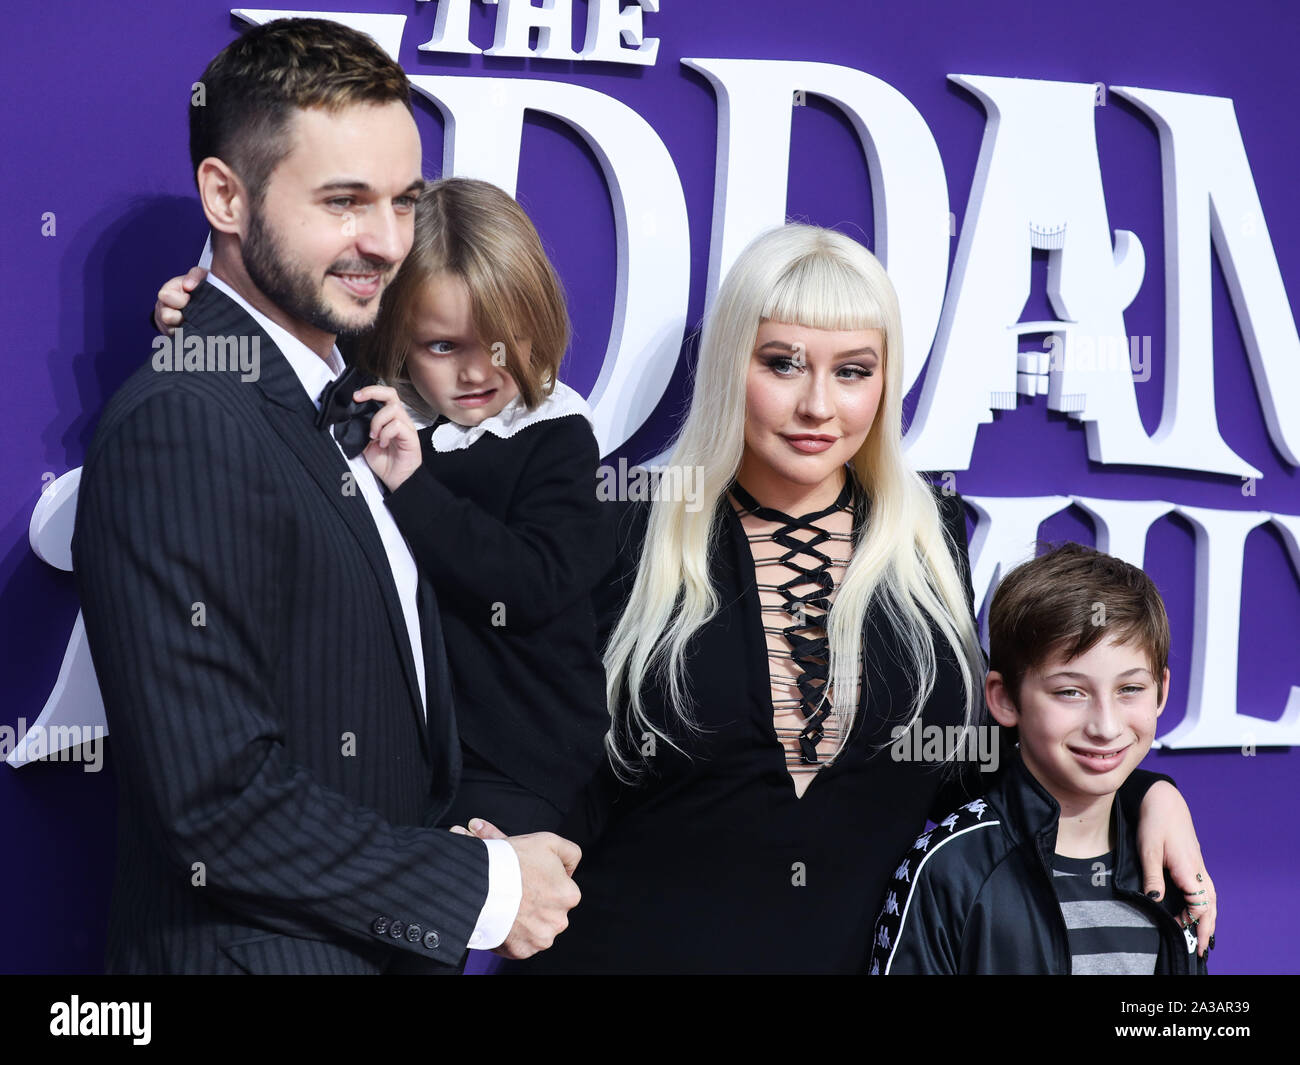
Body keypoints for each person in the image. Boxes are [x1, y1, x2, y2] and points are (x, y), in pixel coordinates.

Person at [488, 223, 1215, 974]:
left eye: (852, 371)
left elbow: (963, 765)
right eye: (783, 364)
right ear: (730, 366)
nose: (817, 406)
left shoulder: (931, 536)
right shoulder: (624, 531)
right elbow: (546, 763)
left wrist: (1143, 796)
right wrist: (502, 852)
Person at [72, 19, 579, 974]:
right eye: (345, 201)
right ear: (224, 194)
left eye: (404, 202)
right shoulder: (185, 418)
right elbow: (213, 802)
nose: (387, 243)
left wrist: (462, 843)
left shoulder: (336, 407)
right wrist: (484, 887)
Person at [154, 179, 613, 838]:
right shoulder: (372, 398)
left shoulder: (555, 434)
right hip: (393, 744)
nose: (478, 371)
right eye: (443, 346)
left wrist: (416, 489)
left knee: (463, 911)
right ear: (398, 337)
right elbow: (272, 384)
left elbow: (534, 583)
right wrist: (193, 324)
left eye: (502, 344)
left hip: (519, 755)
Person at [870, 543, 1208, 975]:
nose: (1105, 726)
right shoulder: (948, 869)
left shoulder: (1167, 861)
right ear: (1005, 698)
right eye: (1070, 691)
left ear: (1160, 691)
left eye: (1129, 689)